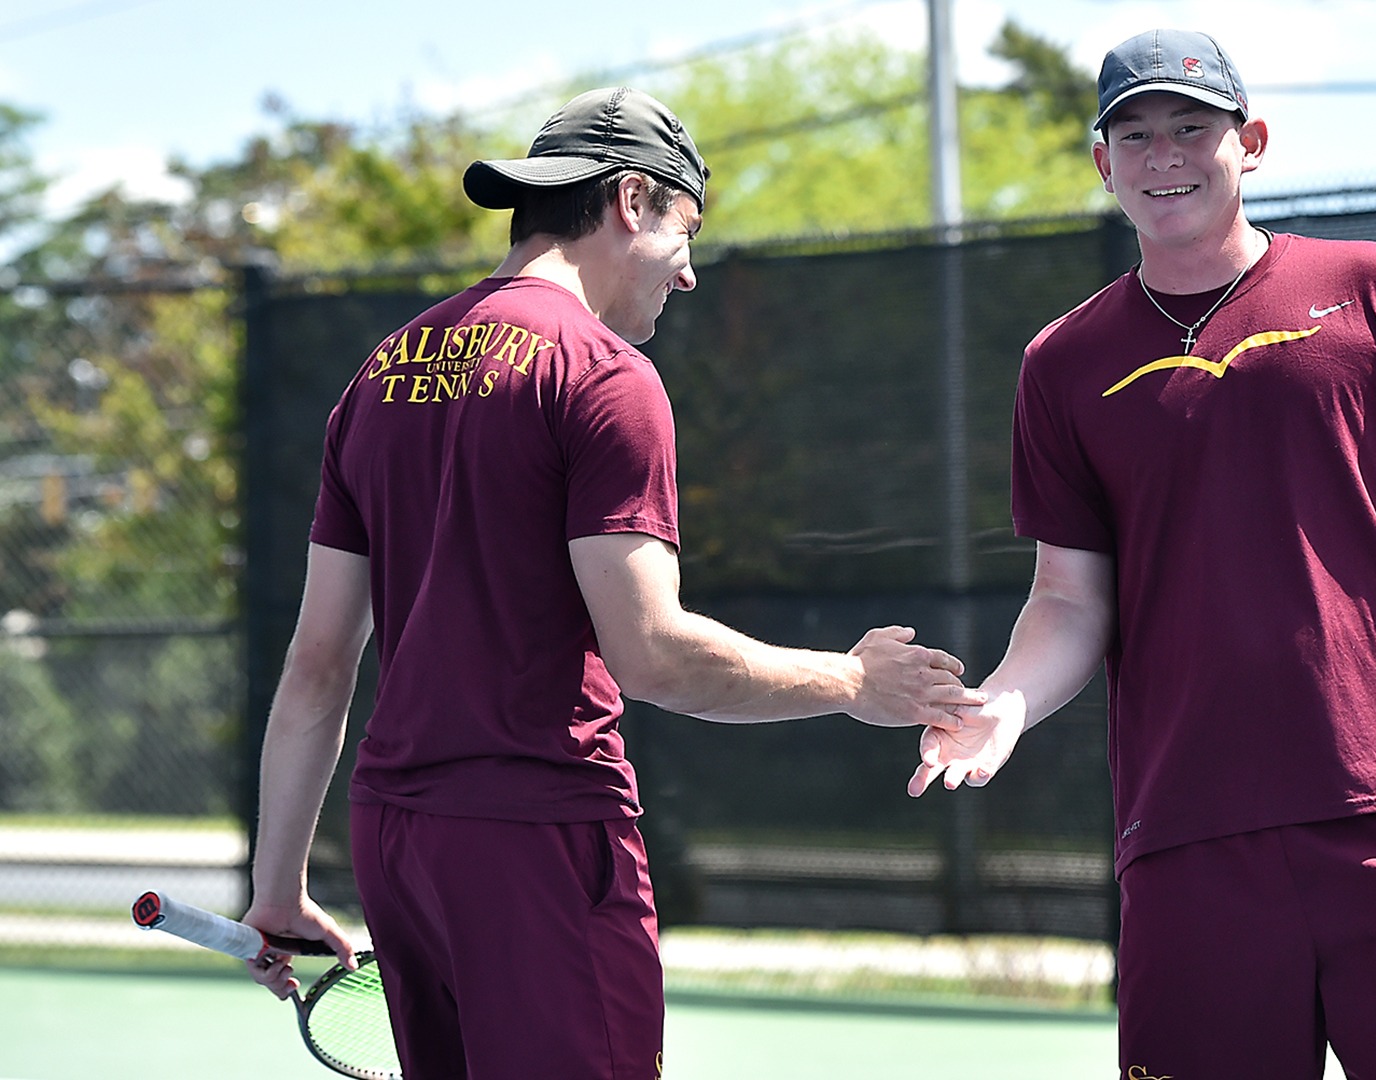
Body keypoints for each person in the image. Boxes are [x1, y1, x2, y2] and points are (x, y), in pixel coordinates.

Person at [908, 28, 1376, 1080]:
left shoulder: (1372, 287)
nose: (1164, 155)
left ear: (1249, 142)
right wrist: (1011, 700)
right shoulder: (1062, 364)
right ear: (1102, 165)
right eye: (1136, 135)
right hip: (1187, 837)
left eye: (1191, 128)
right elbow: (1070, 600)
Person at [240, 86, 985, 1080]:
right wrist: (852, 683)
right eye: (687, 230)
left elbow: (319, 663)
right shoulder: (600, 375)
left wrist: (277, 884)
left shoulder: (379, 376)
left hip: (395, 845)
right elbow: (655, 655)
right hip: (539, 837)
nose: (687, 274)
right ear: (631, 199)